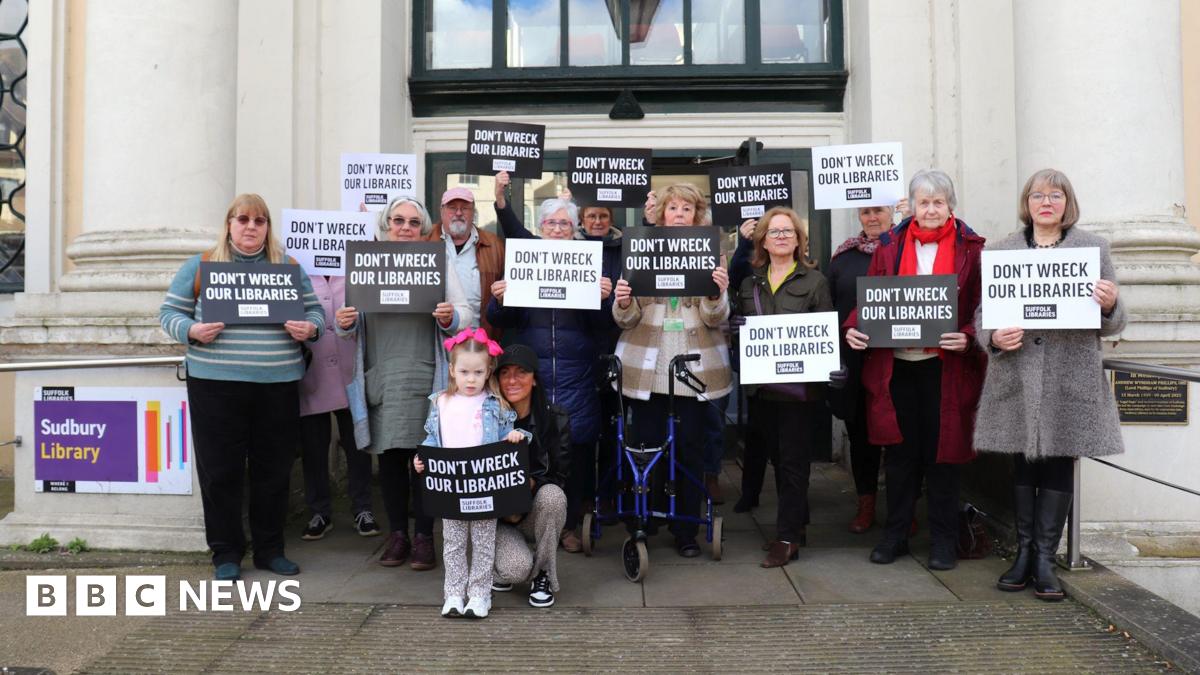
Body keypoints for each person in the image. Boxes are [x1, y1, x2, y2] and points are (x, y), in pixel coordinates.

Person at [975, 169, 1125, 601]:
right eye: (1037, 195)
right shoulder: (1003, 250)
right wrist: (993, 337)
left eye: (1055, 195)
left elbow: (1114, 318)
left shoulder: (1093, 249)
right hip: (1018, 372)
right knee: (1023, 461)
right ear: (1026, 203)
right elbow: (985, 314)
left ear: (1067, 203)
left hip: (1068, 374)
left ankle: (1044, 557)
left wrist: (1111, 303)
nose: (1046, 202)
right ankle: (1023, 553)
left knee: (1059, 460)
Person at [159, 193, 325, 580]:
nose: (251, 227)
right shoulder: (201, 266)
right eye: (243, 219)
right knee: (220, 471)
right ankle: (226, 552)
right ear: (229, 224)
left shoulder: (287, 266)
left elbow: (315, 311)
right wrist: (192, 330)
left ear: (268, 227)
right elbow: (169, 312)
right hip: (215, 385)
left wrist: (311, 327)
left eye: (260, 220)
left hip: (277, 384)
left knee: (274, 469)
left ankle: (270, 550)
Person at [845, 170, 986, 571]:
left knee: (943, 457)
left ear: (950, 207)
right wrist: (854, 327)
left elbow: (982, 304)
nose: (930, 210)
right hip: (897, 367)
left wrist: (970, 334)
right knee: (901, 455)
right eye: (923, 202)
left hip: (946, 369)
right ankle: (895, 536)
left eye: (938, 202)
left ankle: (943, 541)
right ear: (911, 206)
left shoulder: (970, 250)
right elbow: (870, 298)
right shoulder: (889, 246)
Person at [336, 197, 471, 570]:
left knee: (425, 459)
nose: (405, 227)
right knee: (392, 460)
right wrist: (344, 322)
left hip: (426, 375)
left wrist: (450, 316)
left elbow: (464, 314)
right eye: (398, 220)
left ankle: (425, 536)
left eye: (414, 222)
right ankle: (398, 535)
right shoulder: (366, 263)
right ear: (386, 225)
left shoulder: (437, 263)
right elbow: (347, 324)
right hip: (382, 375)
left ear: (424, 228)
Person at [487, 181, 613, 553]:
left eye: (564, 224)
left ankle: (569, 525)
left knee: (574, 453)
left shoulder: (589, 263)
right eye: (550, 224)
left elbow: (604, 326)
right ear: (540, 228)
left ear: (575, 231)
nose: (557, 230)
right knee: (533, 451)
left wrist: (604, 299)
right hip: (533, 376)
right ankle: (530, 522)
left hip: (577, 376)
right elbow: (502, 317)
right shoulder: (525, 262)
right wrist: (499, 297)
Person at [612, 183, 732, 557]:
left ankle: (686, 530)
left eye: (686, 209)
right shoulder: (642, 250)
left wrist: (715, 295)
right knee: (646, 449)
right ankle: (645, 519)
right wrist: (624, 301)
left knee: (691, 451)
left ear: (696, 216)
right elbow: (626, 320)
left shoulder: (713, 252)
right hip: (646, 370)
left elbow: (716, 317)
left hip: (694, 371)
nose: (679, 214)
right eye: (673, 208)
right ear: (662, 213)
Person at [735, 207, 838, 567]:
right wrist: (737, 330)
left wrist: (831, 370)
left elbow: (825, 335)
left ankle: (786, 537)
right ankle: (796, 525)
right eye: (774, 231)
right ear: (762, 239)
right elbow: (741, 330)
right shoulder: (750, 284)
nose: (781, 236)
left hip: (799, 392)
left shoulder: (815, 282)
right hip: (762, 391)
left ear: (798, 240)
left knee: (794, 463)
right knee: (778, 461)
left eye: (788, 231)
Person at [414, 329, 529, 619]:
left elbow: (508, 433)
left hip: (484, 487)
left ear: (488, 371)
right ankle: (453, 593)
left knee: (483, 542)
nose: (471, 379)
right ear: (452, 370)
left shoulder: (495, 404)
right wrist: (421, 458)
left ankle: (479, 594)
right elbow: (432, 439)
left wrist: (515, 435)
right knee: (452, 543)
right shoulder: (440, 402)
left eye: (478, 372)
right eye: (464, 372)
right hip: (451, 487)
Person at [826, 204, 895, 532]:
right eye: (866, 212)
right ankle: (865, 504)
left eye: (879, 211)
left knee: (898, 437)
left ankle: (901, 508)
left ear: (892, 213)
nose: (872, 217)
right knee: (861, 438)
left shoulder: (904, 250)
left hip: (893, 359)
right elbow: (829, 308)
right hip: (852, 360)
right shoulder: (843, 258)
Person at [298, 271, 379, 540]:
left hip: (350, 367)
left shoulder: (357, 266)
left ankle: (363, 508)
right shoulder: (298, 265)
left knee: (359, 444)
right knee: (313, 446)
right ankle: (318, 511)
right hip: (312, 370)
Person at [490, 344, 571, 608]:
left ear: (534, 379)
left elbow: (560, 476)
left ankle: (544, 574)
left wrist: (532, 482)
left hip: (532, 510)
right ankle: (498, 562)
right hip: (498, 519)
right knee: (515, 570)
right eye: (505, 373)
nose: (512, 380)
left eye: (521, 372)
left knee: (553, 496)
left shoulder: (555, 419)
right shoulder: (484, 418)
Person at [430, 187, 505, 338]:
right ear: (441, 211)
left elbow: (506, 300)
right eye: (452, 208)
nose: (458, 213)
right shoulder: (425, 240)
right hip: (434, 343)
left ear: (473, 212)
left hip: (478, 344)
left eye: (465, 208)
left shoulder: (494, 246)